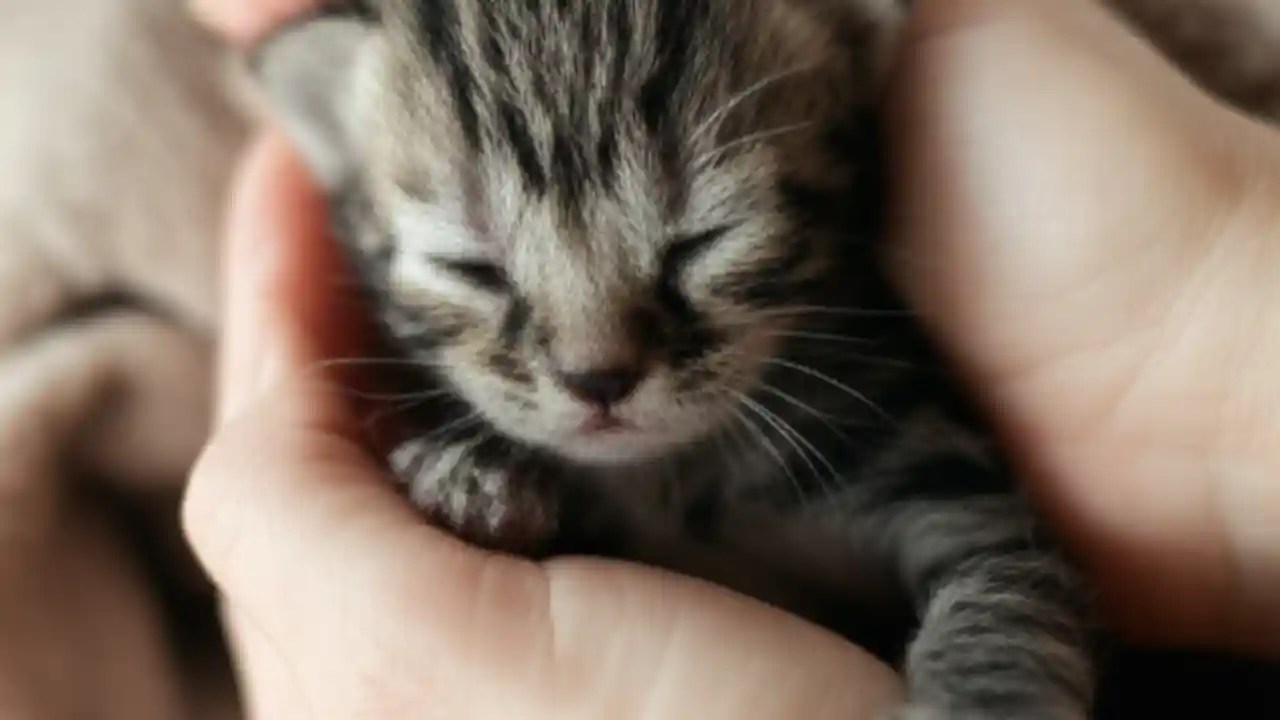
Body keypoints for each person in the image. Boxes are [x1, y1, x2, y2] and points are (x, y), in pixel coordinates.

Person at [186, 0, 1280, 716]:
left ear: (852, 55)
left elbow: (1002, 560)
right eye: (473, 270)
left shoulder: (846, 388)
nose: (591, 357)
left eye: (706, 238)